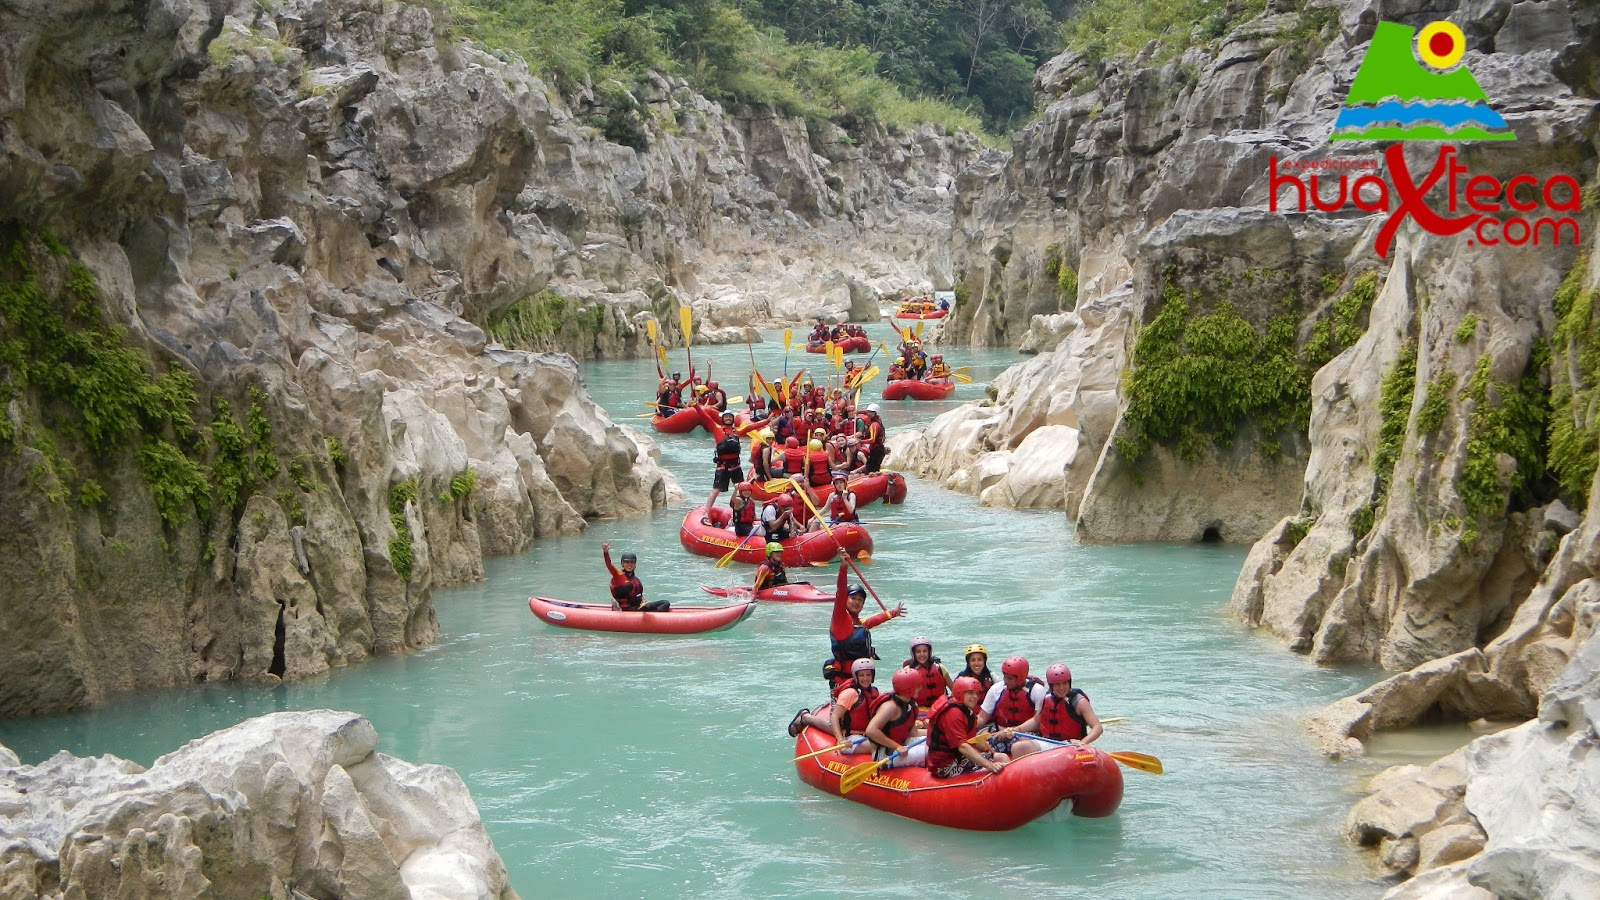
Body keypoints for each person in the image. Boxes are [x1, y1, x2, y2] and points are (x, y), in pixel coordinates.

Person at [825, 573, 904, 690]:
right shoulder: (839, 620)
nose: (856, 602)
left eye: (860, 600)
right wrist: (843, 567)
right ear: (845, 600)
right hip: (843, 682)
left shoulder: (858, 623)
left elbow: (874, 620)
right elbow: (840, 591)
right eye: (853, 598)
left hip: (861, 680)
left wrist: (893, 613)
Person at [1010, 663, 1103, 758]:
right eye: (1057, 684)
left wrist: (1083, 743)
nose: (1062, 688)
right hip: (1048, 743)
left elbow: (1097, 728)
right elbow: (1036, 721)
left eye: (1065, 683)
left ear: (1069, 682)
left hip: (1070, 745)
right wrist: (1017, 729)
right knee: (1017, 747)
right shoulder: (1046, 698)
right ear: (1051, 685)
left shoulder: (1079, 701)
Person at [925, 676, 1008, 778]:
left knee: (1000, 756)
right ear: (960, 693)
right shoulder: (953, 713)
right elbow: (962, 746)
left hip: (956, 757)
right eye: (970, 693)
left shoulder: (966, 710)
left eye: (976, 693)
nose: (975, 697)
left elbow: (972, 739)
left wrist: (988, 751)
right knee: (1001, 758)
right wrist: (989, 765)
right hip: (943, 766)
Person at [975, 656, 1047, 757]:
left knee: (1020, 744)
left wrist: (1013, 730)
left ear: (1021, 678)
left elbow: (1037, 722)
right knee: (980, 744)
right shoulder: (996, 689)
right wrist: (966, 724)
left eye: (1010, 678)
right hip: (1001, 731)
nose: (1006, 680)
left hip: (1026, 733)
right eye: (1004, 676)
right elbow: (982, 718)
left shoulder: (1037, 691)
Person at [859, 667, 926, 767]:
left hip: (903, 743)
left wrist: (935, 732)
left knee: (937, 741)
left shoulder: (911, 704)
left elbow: (914, 733)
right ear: (908, 689)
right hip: (885, 754)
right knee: (931, 750)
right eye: (917, 686)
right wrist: (897, 746)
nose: (920, 688)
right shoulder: (890, 707)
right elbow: (870, 730)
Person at [601, 542, 668, 612]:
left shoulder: (636, 580)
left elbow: (639, 595)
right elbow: (609, 565)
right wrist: (606, 552)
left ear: (635, 564)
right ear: (622, 564)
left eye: (632, 562)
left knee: (665, 603)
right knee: (651, 606)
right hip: (625, 610)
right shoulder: (618, 575)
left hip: (636, 607)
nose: (629, 565)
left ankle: (654, 617)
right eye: (627, 562)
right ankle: (652, 617)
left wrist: (643, 601)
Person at [703, 410, 744, 520]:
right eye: (726, 417)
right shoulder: (717, 429)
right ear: (722, 419)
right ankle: (706, 513)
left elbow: (752, 427)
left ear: (733, 419)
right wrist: (696, 406)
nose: (728, 419)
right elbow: (706, 418)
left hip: (735, 466)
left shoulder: (737, 431)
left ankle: (739, 511)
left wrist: (768, 420)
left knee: (742, 489)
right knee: (716, 490)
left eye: (730, 417)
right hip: (722, 466)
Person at [900, 636, 952, 711]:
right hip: (918, 711)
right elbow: (901, 695)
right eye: (918, 652)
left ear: (929, 652)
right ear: (913, 654)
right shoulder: (908, 671)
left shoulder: (940, 668)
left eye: (925, 651)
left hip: (940, 708)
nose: (922, 654)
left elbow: (954, 689)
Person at [859, 404, 886, 474]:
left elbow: (872, 440)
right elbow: (866, 412)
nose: (869, 414)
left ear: (875, 413)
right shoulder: (876, 418)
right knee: (872, 468)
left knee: (870, 469)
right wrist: (858, 412)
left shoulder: (874, 425)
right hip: (876, 449)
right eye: (868, 412)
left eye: (871, 412)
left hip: (877, 451)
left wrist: (861, 441)